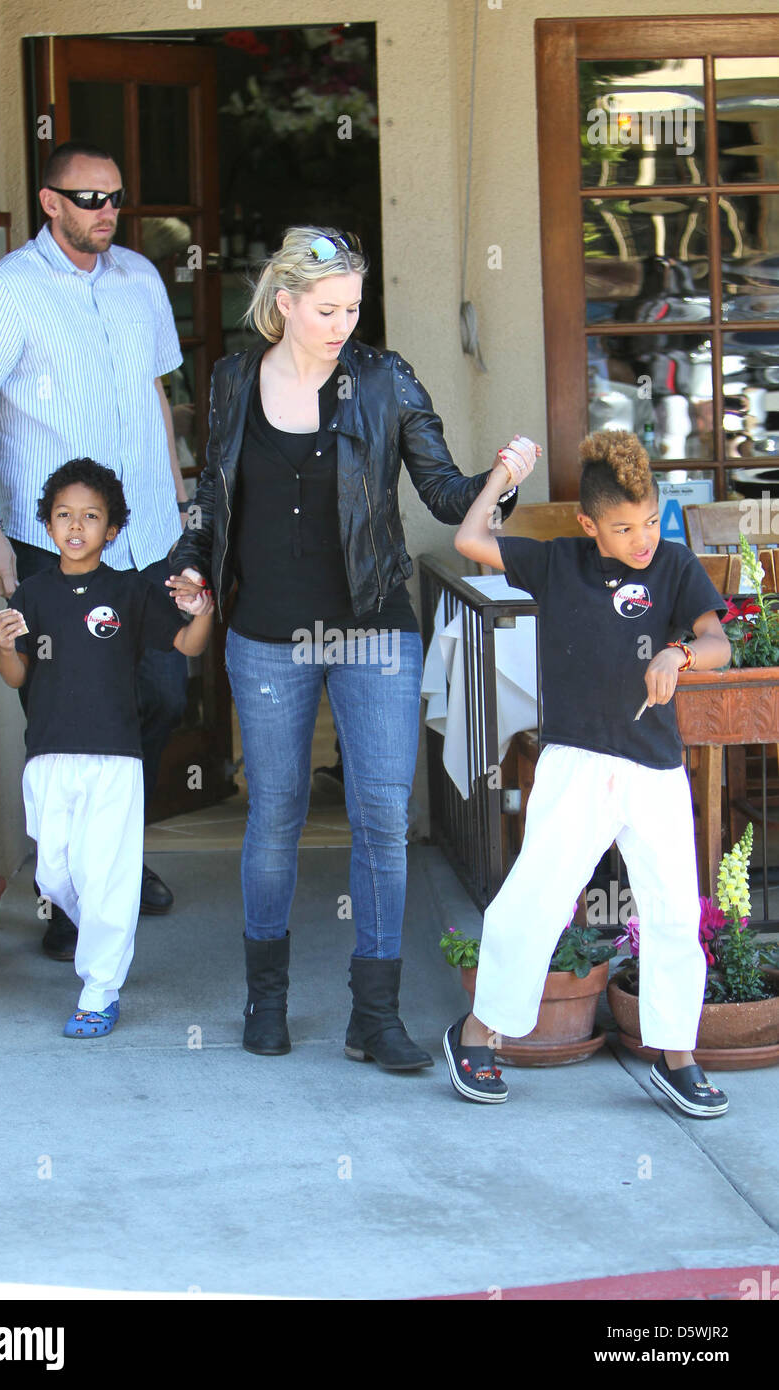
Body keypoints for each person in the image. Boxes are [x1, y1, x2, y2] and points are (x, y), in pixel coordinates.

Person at [167, 224, 530, 1070]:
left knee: (380, 819)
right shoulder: (231, 382)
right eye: (326, 308)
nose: (342, 323)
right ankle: (268, 999)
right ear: (284, 303)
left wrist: (500, 483)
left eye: (353, 307)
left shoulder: (384, 379)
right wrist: (191, 567)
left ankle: (375, 1015)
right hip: (264, 635)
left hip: (372, 629)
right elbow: (209, 503)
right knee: (274, 819)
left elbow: (444, 494)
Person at [442, 429, 732, 1118]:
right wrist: (503, 476)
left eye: (651, 519)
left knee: (670, 912)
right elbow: (469, 539)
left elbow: (717, 639)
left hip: (655, 769)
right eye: (623, 526)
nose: (642, 538)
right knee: (537, 898)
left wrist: (681, 656)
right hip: (576, 763)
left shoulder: (676, 565)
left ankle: (676, 1056)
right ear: (587, 524)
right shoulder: (558, 564)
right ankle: (478, 1033)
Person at [0, 140, 190, 952]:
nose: (107, 212)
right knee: (63, 721)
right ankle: (69, 896)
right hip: (53, 548)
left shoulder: (141, 279)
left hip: (145, 534)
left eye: (116, 196)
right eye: (88, 198)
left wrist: (179, 502)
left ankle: (109, 858)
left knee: (161, 696)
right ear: (50, 202)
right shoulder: (6, 291)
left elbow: (155, 392)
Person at [0, 459, 213, 1037]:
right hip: (48, 754)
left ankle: (99, 990)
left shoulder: (130, 590)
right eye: (64, 514)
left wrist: (201, 611)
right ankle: (99, 934)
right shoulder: (31, 593)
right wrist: (6, 647)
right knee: (57, 873)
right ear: (46, 524)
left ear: (111, 530)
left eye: (91, 516)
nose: (76, 525)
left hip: (115, 757)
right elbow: (15, 677)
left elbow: (187, 644)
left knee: (108, 875)